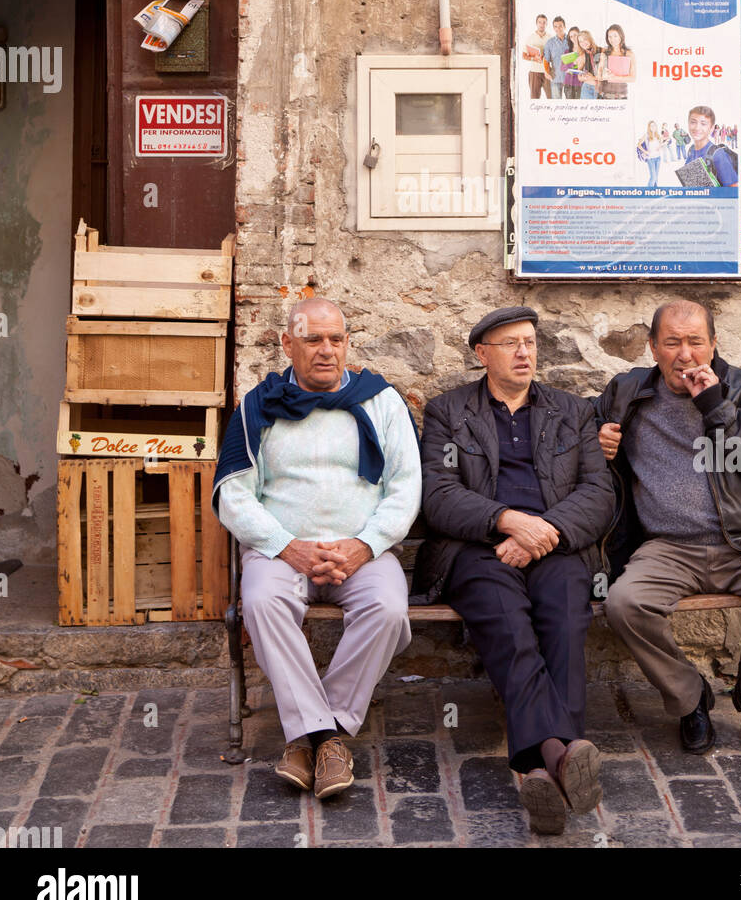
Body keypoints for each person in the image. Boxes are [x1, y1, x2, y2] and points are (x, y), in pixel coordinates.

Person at [412, 306, 616, 835]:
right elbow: (437, 495)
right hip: (478, 547)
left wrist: (542, 532)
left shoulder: (572, 411)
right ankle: (562, 750)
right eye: (510, 344)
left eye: (529, 342)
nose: (525, 352)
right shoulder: (449, 412)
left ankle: (534, 765)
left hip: (556, 543)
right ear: (482, 355)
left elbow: (598, 492)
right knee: (507, 621)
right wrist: (505, 520)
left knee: (566, 614)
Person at [595, 300, 741, 758]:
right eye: (673, 342)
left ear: (713, 344)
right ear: (652, 348)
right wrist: (595, 439)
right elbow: (574, 425)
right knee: (624, 604)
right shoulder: (627, 391)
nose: (685, 354)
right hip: (667, 547)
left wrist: (716, 406)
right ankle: (690, 698)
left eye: (695, 341)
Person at [213, 298, 421, 800]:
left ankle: (317, 736)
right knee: (261, 602)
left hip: (362, 550)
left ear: (347, 342)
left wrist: (364, 545)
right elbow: (234, 495)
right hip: (280, 551)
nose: (326, 350)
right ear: (288, 344)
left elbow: (406, 487)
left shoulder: (381, 401)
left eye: (336, 339)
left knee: (389, 607)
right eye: (313, 340)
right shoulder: (259, 406)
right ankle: (325, 737)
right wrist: (287, 546)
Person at [683, 105, 738, 187]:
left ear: (712, 128)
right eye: (693, 122)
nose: (697, 128)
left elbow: (733, 188)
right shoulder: (691, 150)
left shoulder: (718, 154)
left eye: (703, 124)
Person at [596, 22, 636, 100]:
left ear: (621, 36)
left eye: (615, 36)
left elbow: (633, 78)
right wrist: (604, 77)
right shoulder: (604, 54)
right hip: (604, 96)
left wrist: (615, 77)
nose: (612, 39)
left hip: (621, 97)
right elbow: (598, 76)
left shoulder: (629, 54)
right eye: (610, 37)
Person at [543, 16, 571, 99]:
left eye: (560, 26)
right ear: (553, 28)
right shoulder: (549, 43)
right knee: (556, 103)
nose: (558, 29)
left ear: (564, 27)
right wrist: (546, 72)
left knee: (571, 103)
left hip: (569, 77)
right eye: (555, 26)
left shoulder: (571, 40)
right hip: (555, 77)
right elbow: (546, 59)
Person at [524, 12, 550, 99]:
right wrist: (534, 59)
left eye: (544, 22)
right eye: (540, 22)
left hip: (548, 71)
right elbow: (524, 55)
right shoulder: (530, 38)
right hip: (534, 72)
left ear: (546, 24)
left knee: (551, 98)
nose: (542, 24)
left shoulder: (551, 38)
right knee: (534, 99)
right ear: (536, 23)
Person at [576, 29, 601, 99]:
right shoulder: (582, 56)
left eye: (585, 39)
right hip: (587, 89)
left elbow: (606, 75)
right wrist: (582, 77)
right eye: (580, 41)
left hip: (601, 89)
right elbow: (579, 77)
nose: (583, 43)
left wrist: (593, 77)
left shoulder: (602, 51)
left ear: (590, 39)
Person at [638, 120, 663, 186]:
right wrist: (645, 151)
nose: (653, 127)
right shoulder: (646, 135)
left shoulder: (658, 135)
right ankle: (648, 192)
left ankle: (655, 191)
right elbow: (639, 145)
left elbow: (660, 144)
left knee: (656, 177)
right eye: (651, 125)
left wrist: (659, 147)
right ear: (649, 127)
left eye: (654, 125)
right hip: (650, 158)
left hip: (658, 158)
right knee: (653, 177)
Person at [562, 25, 583, 99]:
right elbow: (562, 67)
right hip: (569, 84)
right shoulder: (567, 52)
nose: (573, 38)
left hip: (581, 84)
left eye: (575, 35)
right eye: (571, 36)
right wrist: (573, 63)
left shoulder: (584, 50)